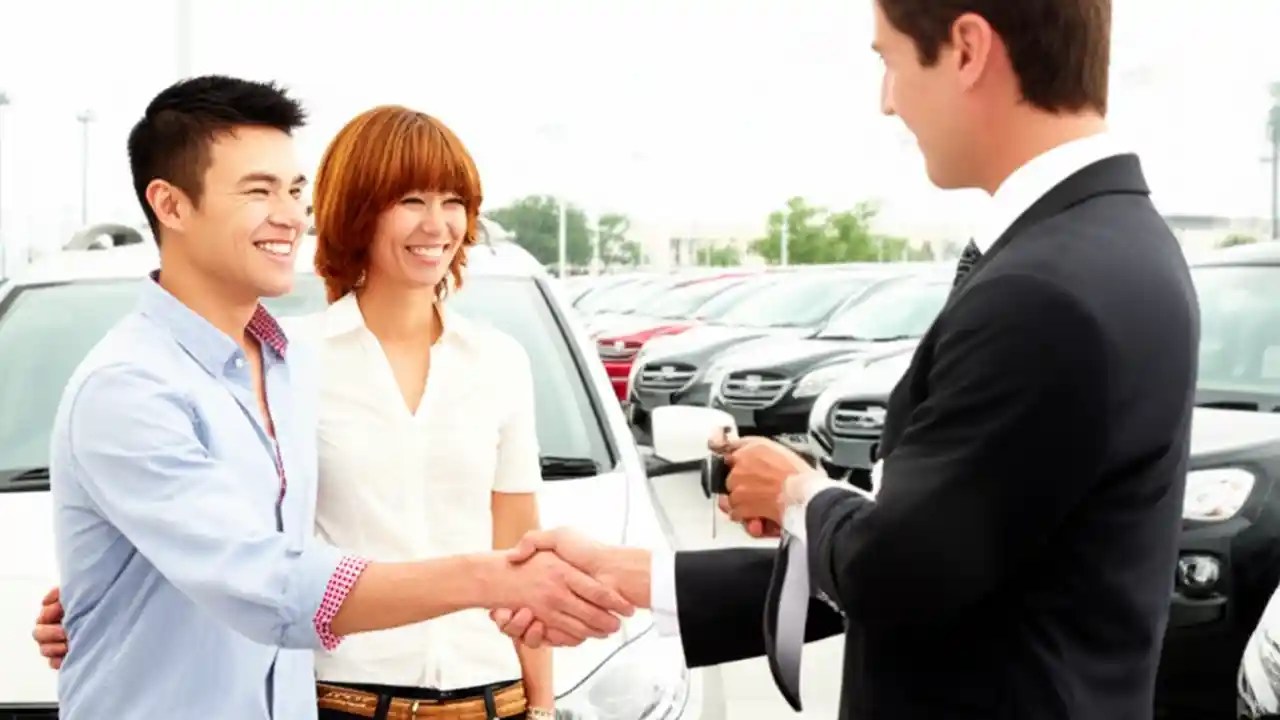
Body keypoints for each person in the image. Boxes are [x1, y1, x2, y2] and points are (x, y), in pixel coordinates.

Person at [490, 0, 1200, 718]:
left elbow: (900, 573)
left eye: (888, 61)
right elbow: (967, 552)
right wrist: (638, 578)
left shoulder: (1044, 292)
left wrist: (801, 494)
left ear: (967, 48)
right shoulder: (1121, 249)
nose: (888, 103)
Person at [39, 75, 630, 720]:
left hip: (475, 697)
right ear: (172, 206)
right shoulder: (149, 382)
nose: (292, 213)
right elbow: (260, 575)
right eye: (258, 190)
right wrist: (119, 589)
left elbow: (255, 535)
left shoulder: (274, 366)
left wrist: (114, 586)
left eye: (294, 191)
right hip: (343, 698)